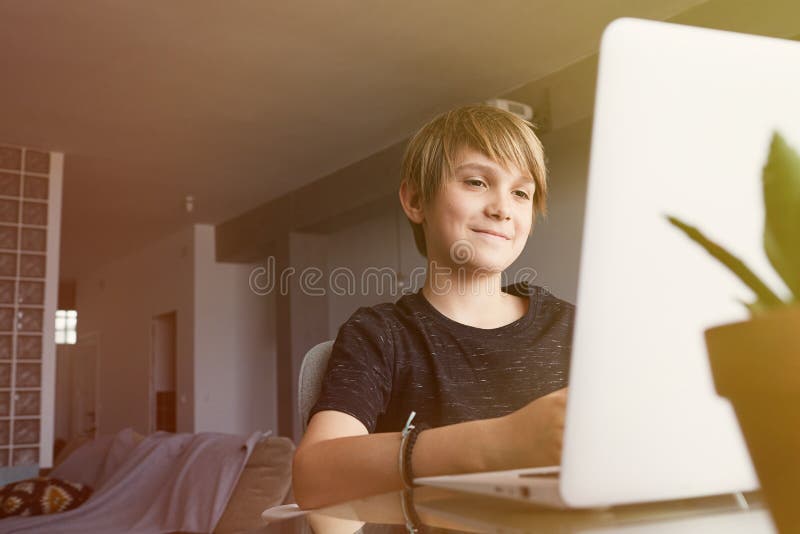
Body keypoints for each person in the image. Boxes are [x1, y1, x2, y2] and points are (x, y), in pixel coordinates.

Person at [293, 104, 574, 510]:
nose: (502, 208)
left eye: (520, 193)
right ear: (415, 200)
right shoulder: (381, 335)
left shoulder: (573, 329)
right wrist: (498, 443)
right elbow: (314, 476)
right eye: (477, 182)